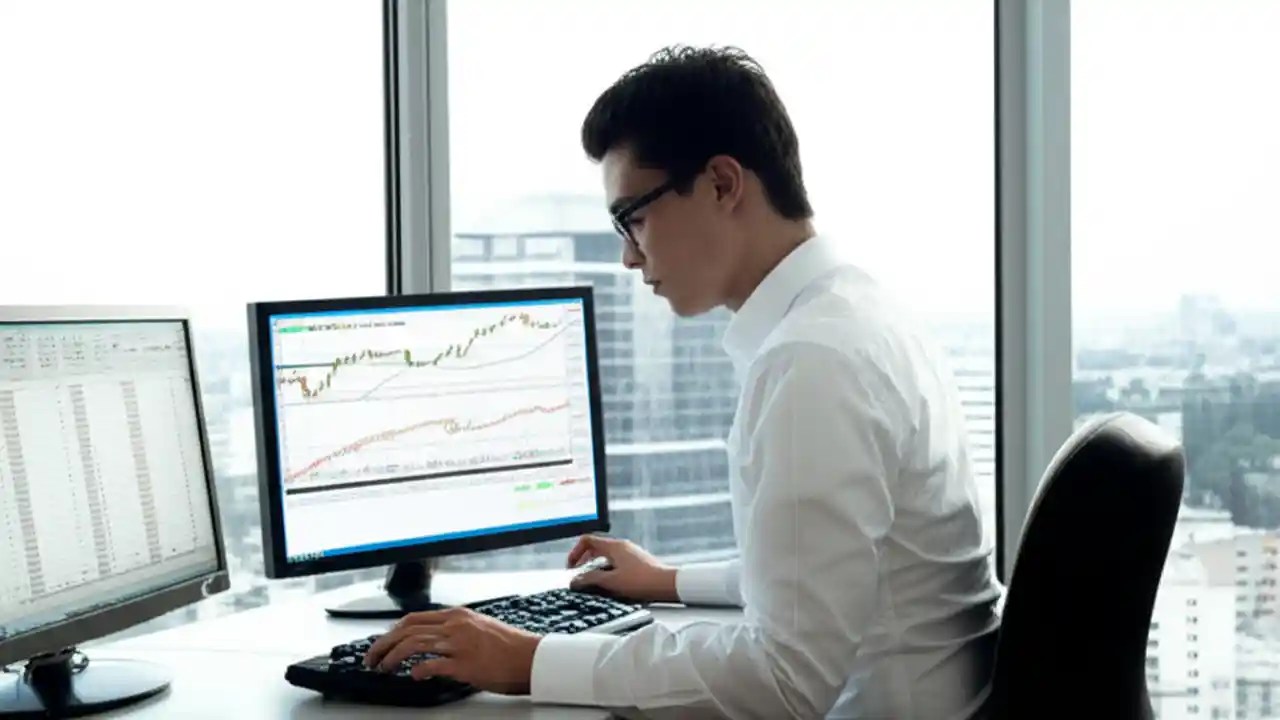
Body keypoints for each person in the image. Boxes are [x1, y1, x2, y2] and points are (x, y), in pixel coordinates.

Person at [365, 44, 1002, 719]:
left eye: (633, 217)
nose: (629, 256)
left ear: (724, 184)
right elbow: (830, 575)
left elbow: (782, 683)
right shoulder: (858, 314)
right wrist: (666, 581)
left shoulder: (813, 361)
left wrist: (528, 660)